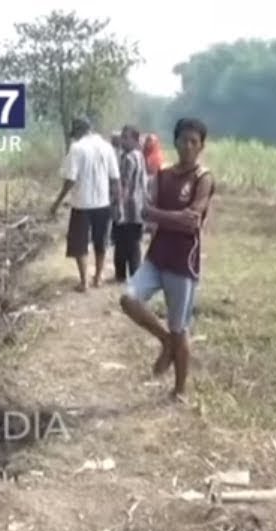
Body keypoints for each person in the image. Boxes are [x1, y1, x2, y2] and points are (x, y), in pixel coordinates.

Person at [119, 117, 215, 403]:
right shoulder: (163, 174)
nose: (187, 146)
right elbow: (146, 213)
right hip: (157, 256)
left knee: (180, 327)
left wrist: (164, 216)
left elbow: (192, 221)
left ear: (201, 146)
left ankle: (179, 390)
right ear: (174, 142)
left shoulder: (203, 178)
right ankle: (166, 341)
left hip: (183, 262)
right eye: (183, 140)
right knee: (128, 299)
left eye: (193, 142)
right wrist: (174, 217)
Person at [49, 117, 121, 291]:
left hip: (82, 204)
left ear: (79, 131)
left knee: (79, 243)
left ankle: (84, 282)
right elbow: (115, 178)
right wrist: (116, 201)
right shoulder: (107, 147)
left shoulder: (77, 148)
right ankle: (97, 277)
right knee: (100, 241)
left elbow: (70, 180)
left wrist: (57, 202)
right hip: (103, 203)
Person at [111, 125, 148, 282]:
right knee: (134, 244)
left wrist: (119, 206)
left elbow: (124, 184)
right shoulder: (139, 155)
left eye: (126, 137)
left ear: (134, 139)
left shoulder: (127, 158)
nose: (122, 140)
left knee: (121, 243)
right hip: (138, 206)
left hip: (128, 208)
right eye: (122, 137)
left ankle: (121, 275)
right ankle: (135, 275)